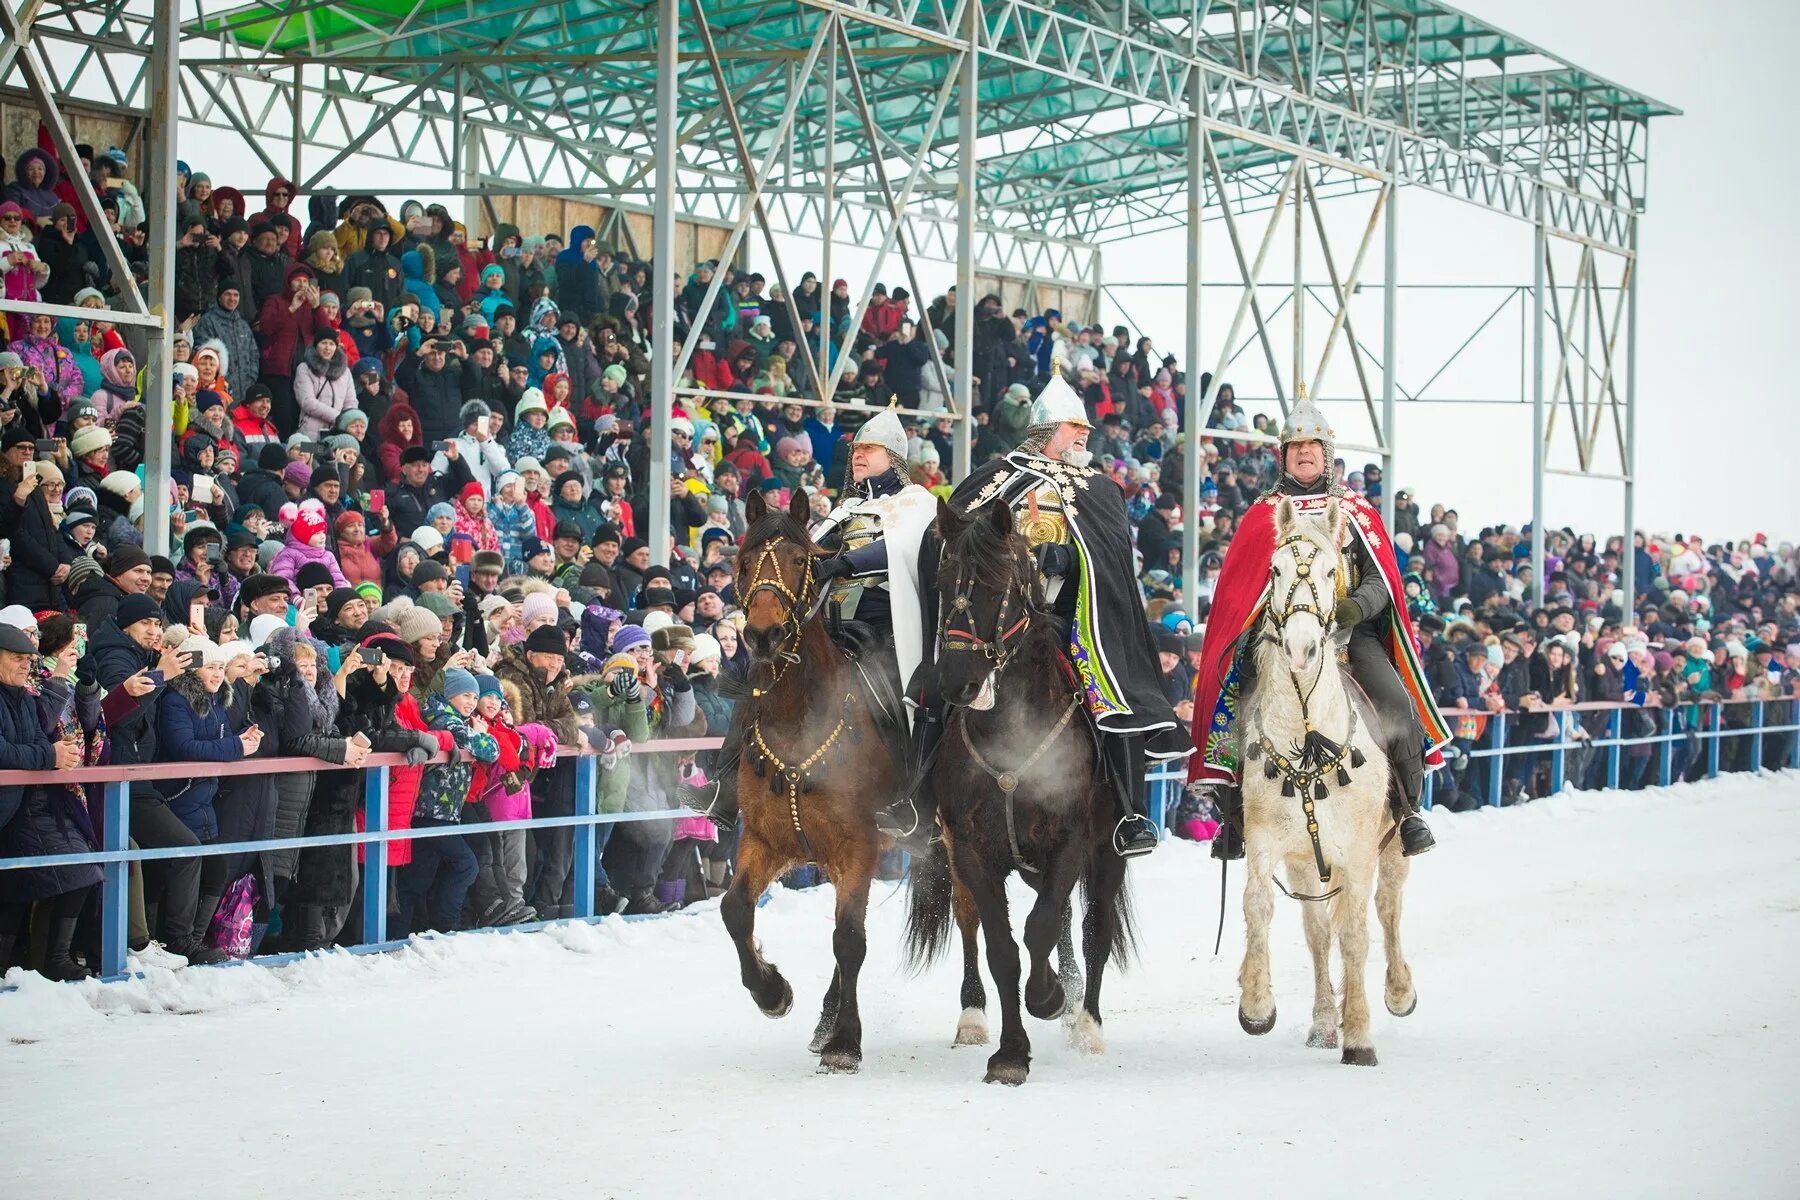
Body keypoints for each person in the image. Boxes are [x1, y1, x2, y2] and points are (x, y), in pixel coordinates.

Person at [918, 364, 1184, 857]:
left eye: (1084, 427)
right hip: (998, 619)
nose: (1085, 434)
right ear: (1046, 431)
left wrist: (1072, 560)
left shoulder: (1100, 491)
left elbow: (1112, 567)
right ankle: (918, 795)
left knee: (1118, 690)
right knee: (942, 679)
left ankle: (1129, 811)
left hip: (1071, 618)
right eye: (1075, 427)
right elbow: (960, 540)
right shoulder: (994, 480)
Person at [1187, 391, 1448, 859]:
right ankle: (1235, 817)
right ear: (1283, 455)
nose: (1304, 453)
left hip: (1350, 636)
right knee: (1234, 695)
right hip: (1279, 634)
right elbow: (1240, 589)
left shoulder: (1357, 512)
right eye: (1295, 447)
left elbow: (1381, 580)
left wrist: (1354, 609)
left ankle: (1408, 812)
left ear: (1327, 455)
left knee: (1396, 705)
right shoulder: (1263, 516)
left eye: (1313, 447)